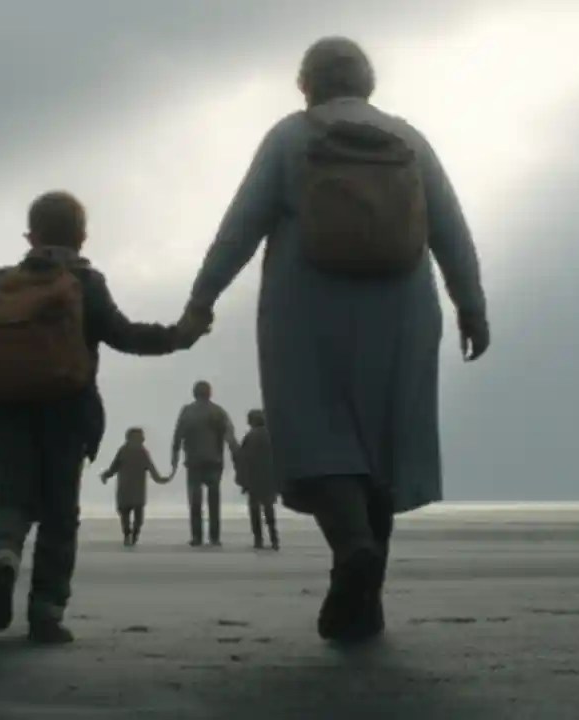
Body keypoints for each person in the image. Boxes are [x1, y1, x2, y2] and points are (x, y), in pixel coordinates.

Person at [174, 37, 490, 642]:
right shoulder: (408, 140)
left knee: (319, 440)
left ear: (307, 84)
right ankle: (365, 600)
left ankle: (351, 551)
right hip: (402, 315)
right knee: (381, 454)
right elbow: (451, 229)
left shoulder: (292, 137)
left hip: (305, 312)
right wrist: (471, 307)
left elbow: (239, 227)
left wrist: (201, 302)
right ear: (367, 82)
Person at [0, 191, 200, 644]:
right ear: (82, 237)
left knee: (9, 499)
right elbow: (124, 335)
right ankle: (46, 610)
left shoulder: (2, 282)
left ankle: (3, 553)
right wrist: (177, 336)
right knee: (60, 514)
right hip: (68, 412)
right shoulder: (86, 282)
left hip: (6, 412)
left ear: (31, 234)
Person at [170, 380, 239, 547]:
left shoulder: (187, 411)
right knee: (214, 500)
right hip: (214, 461)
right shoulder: (218, 411)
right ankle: (214, 537)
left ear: (194, 393)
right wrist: (238, 455)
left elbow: (178, 435)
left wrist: (174, 459)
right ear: (210, 393)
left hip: (193, 462)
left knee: (195, 500)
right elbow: (230, 436)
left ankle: (197, 537)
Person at [100, 427, 170, 547]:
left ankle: (127, 534)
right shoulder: (143, 452)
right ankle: (135, 535)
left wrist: (106, 475)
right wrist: (162, 479)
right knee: (138, 516)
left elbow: (114, 468)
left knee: (125, 514)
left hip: (124, 490)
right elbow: (152, 470)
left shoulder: (123, 450)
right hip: (138, 491)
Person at [235, 409, 280, 551]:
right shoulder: (272, 436)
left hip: (254, 481)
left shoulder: (250, 437)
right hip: (269, 480)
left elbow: (242, 460)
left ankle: (258, 539)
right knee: (269, 509)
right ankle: (274, 539)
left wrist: (242, 481)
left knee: (254, 511)